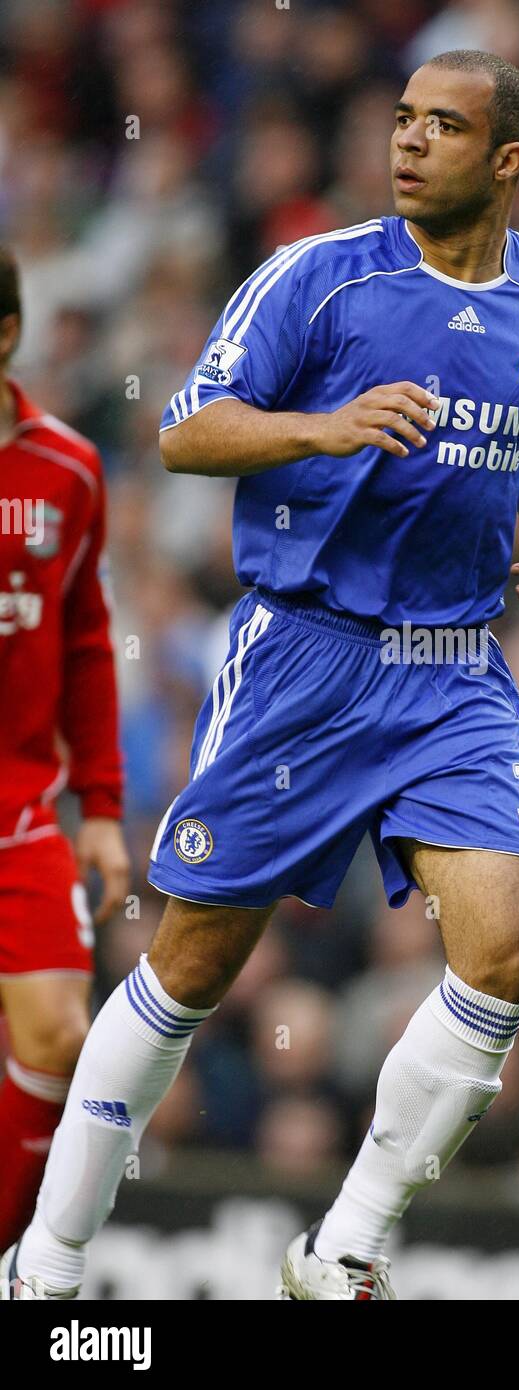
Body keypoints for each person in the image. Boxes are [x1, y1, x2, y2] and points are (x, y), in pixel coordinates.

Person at [4, 49, 519, 1302]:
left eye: (442, 127)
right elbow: (184, 429)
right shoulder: (319, 278)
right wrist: (320, 427)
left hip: (452, 668)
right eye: (399, 120)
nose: (406, 143)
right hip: (305, 658)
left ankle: (342, 1249)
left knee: (506, 952)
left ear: (505, 161)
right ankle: (48, 1266)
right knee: (193, 966)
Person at [0, 248, 129, 1258]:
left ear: (6, 336)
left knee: (57, 1036)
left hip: (25, 806)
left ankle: (16, 1254)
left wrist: (106, 809)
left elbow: (86, 639)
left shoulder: (68, 467)